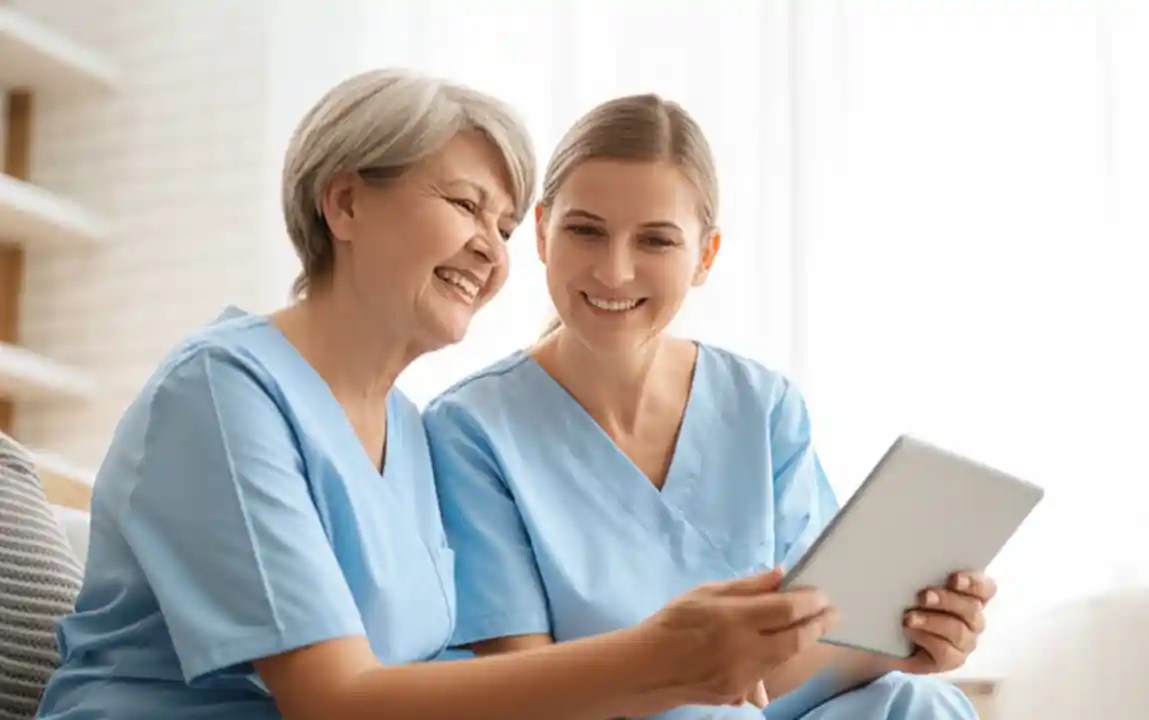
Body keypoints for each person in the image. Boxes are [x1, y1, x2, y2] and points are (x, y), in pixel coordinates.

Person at [35, 70, 838, 720]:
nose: (490, 248)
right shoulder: (223, 392)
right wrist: (663, 659)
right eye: (463, 205)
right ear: (346, 203)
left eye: (504, 223)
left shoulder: (410, 436)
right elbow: (331, 699)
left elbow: (444, 682)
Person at [424, 94, 993, 719]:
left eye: (656, 241)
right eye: (586, 230)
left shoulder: (762, 406)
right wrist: (678, 679)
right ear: (540, 232)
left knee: (918, 702)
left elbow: (791, 662)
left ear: (705, 256)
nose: (615, 271)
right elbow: (523, 690)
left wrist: (906, 646)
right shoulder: (472, 430)